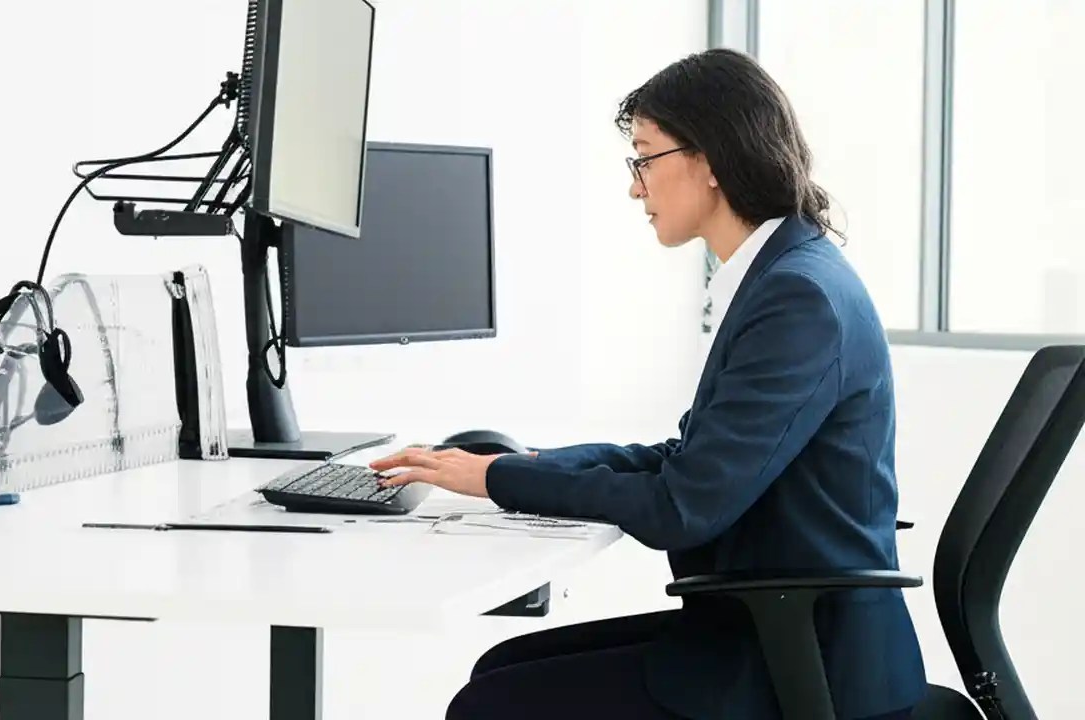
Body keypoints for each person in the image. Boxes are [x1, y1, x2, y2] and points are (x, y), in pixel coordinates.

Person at [368, 47, 928, 720]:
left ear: (710, 159)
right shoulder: (786, 275)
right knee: (498, 669)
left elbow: (681, 506)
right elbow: (684, 461)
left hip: (808, 665)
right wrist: (522, 465)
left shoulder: (798, 298)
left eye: (644, 158)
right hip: (774, 635)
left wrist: (498, 480)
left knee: (489, 705)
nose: (636, 188)